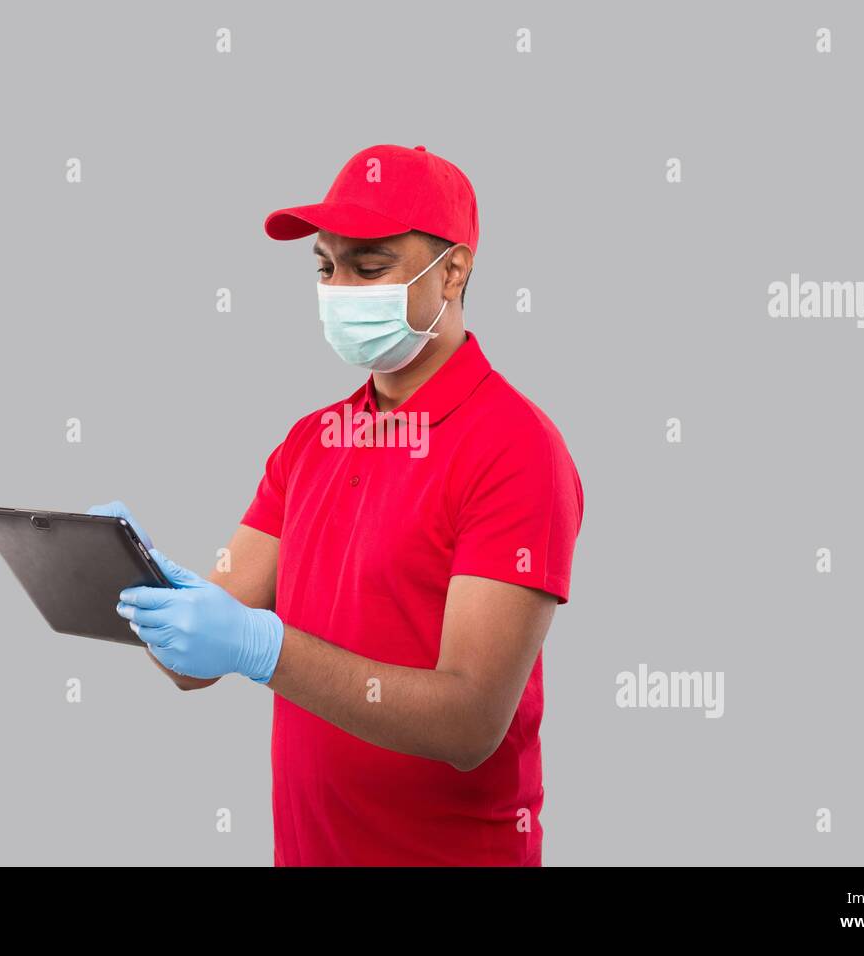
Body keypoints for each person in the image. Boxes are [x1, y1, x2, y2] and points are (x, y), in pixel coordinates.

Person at [91, 143, 583, 866]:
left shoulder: (515, 449)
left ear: (453, 270)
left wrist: (262, 645)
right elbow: (196, 665)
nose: (342, 288)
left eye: (370, 267)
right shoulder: (311, 443)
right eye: (326, 267)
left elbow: (471, 720)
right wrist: (146, 591)